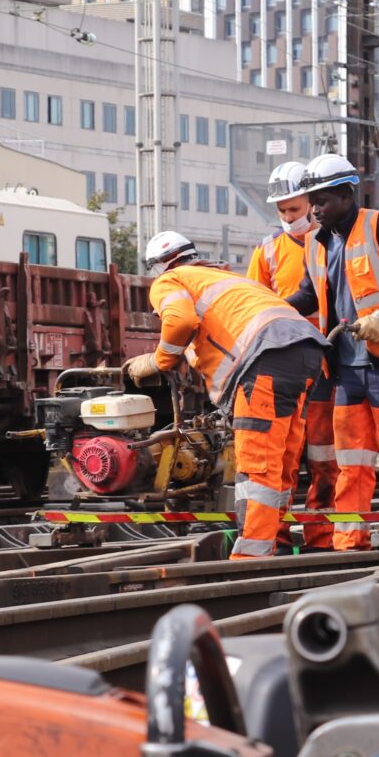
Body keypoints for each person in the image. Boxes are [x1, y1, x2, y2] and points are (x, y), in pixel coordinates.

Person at [123, 231, 327, 559]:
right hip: (307, 351)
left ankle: (252, 556)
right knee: (283, 459)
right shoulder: (227, 278)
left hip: (265, 361)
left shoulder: (171, 279)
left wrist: (157, 361)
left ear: (158, 266)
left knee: (258, 464)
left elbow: (180, 320)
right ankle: (277, 539)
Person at [284, 153, 379, 547]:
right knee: (351, 460)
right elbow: (309, 295)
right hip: (344, 368)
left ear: (347, 196)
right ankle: (350, 538)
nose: (314, 209)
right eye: (312, 201)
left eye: (323, 201)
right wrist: (270, 307)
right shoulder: (315, 244)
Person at [246, 159, 337, 536]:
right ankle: (277, 534)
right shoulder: (267, 252)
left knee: (323, 456)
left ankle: (321, 534)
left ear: (312, 203)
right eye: (282, 211)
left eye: (294, 209)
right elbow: (252, 309)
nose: (288, 217)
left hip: (323, 366)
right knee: (281, 456)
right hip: (281, 368)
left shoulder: (333, 244)